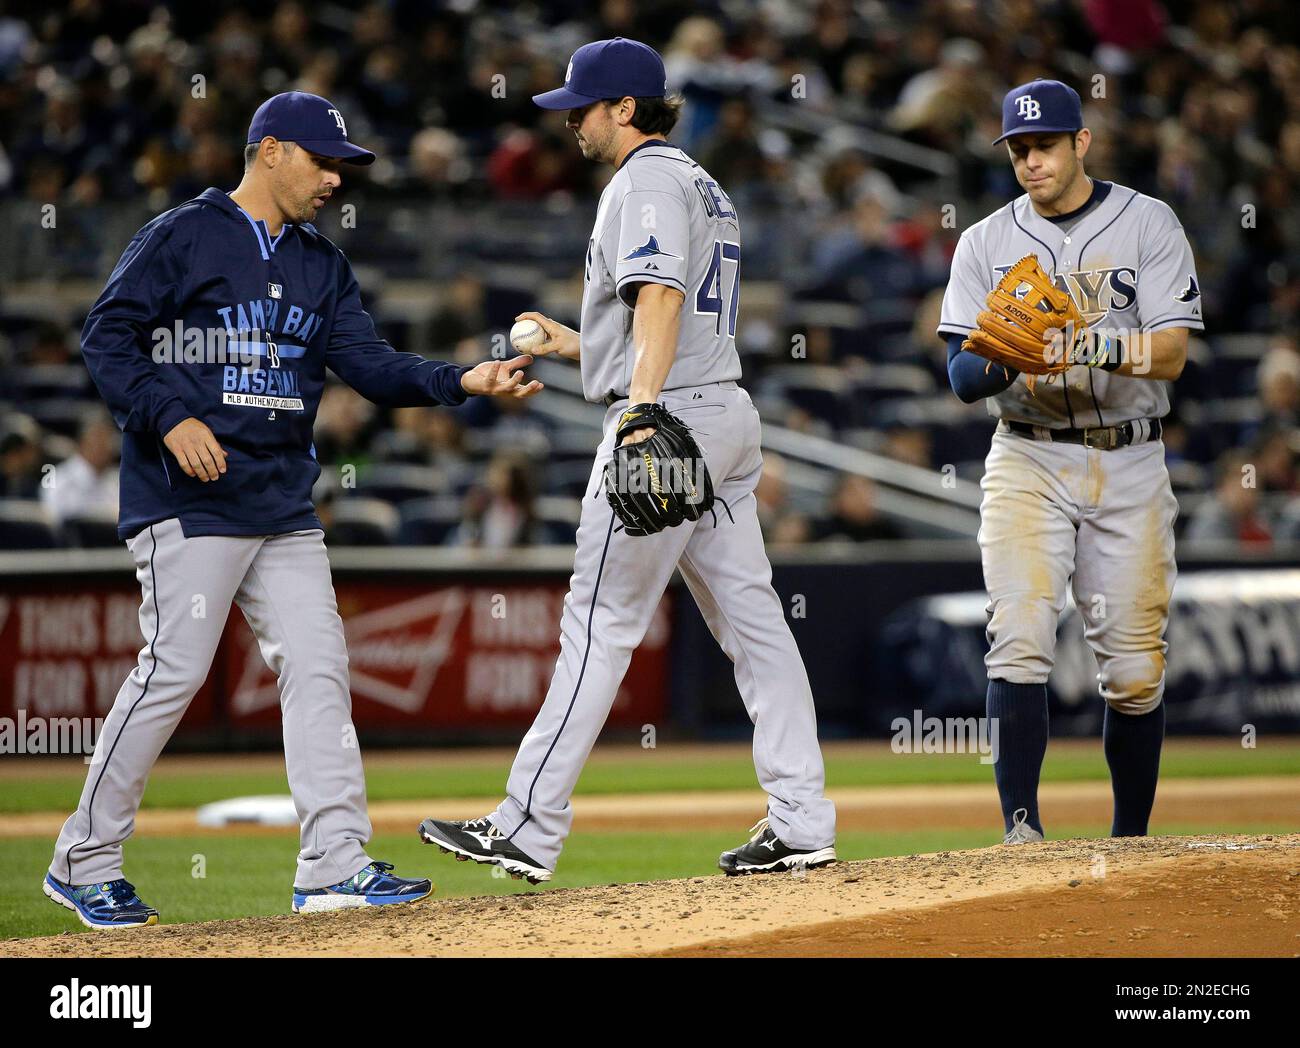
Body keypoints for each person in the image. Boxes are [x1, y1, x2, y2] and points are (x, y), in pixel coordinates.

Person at [45, 91, 542, 930]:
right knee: (171, 673)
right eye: (321, 161)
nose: (333, 179)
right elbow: (106, 336)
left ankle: (334, 865)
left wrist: (460, 379)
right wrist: (171, 415)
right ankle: (82, 860)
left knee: (320, 670)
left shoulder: (321, 263)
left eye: (339, 165)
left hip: (281, 502)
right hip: (189, 498)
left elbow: (371, 367)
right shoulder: (184, 234)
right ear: (268, 151)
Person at [418, 38, 836, 883]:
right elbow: (655, 317)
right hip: (721, 414)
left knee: (599, 621)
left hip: (670, 418)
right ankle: (802, 817)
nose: (569, 120)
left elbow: (660, 296)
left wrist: (639, 408)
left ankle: (526, 826)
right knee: (754, 626)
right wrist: (583, 346)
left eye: (583, 106)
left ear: (625, 109)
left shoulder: (642, 180)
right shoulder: (699, 182)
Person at [938, 80, 1202, 844]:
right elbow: (961, 379)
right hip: (1027, 457)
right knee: (1018, 634)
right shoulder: (986, 241)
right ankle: (1022, 833)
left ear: (1081, 142)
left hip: (1129, 459)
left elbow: (1175, 352)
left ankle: (1131, 842)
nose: (1031, 161)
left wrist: (1089, 342)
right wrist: (1005, 358)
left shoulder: (1148, 221)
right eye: (1018, 149)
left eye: (1045, 145)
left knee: (1132, 671)